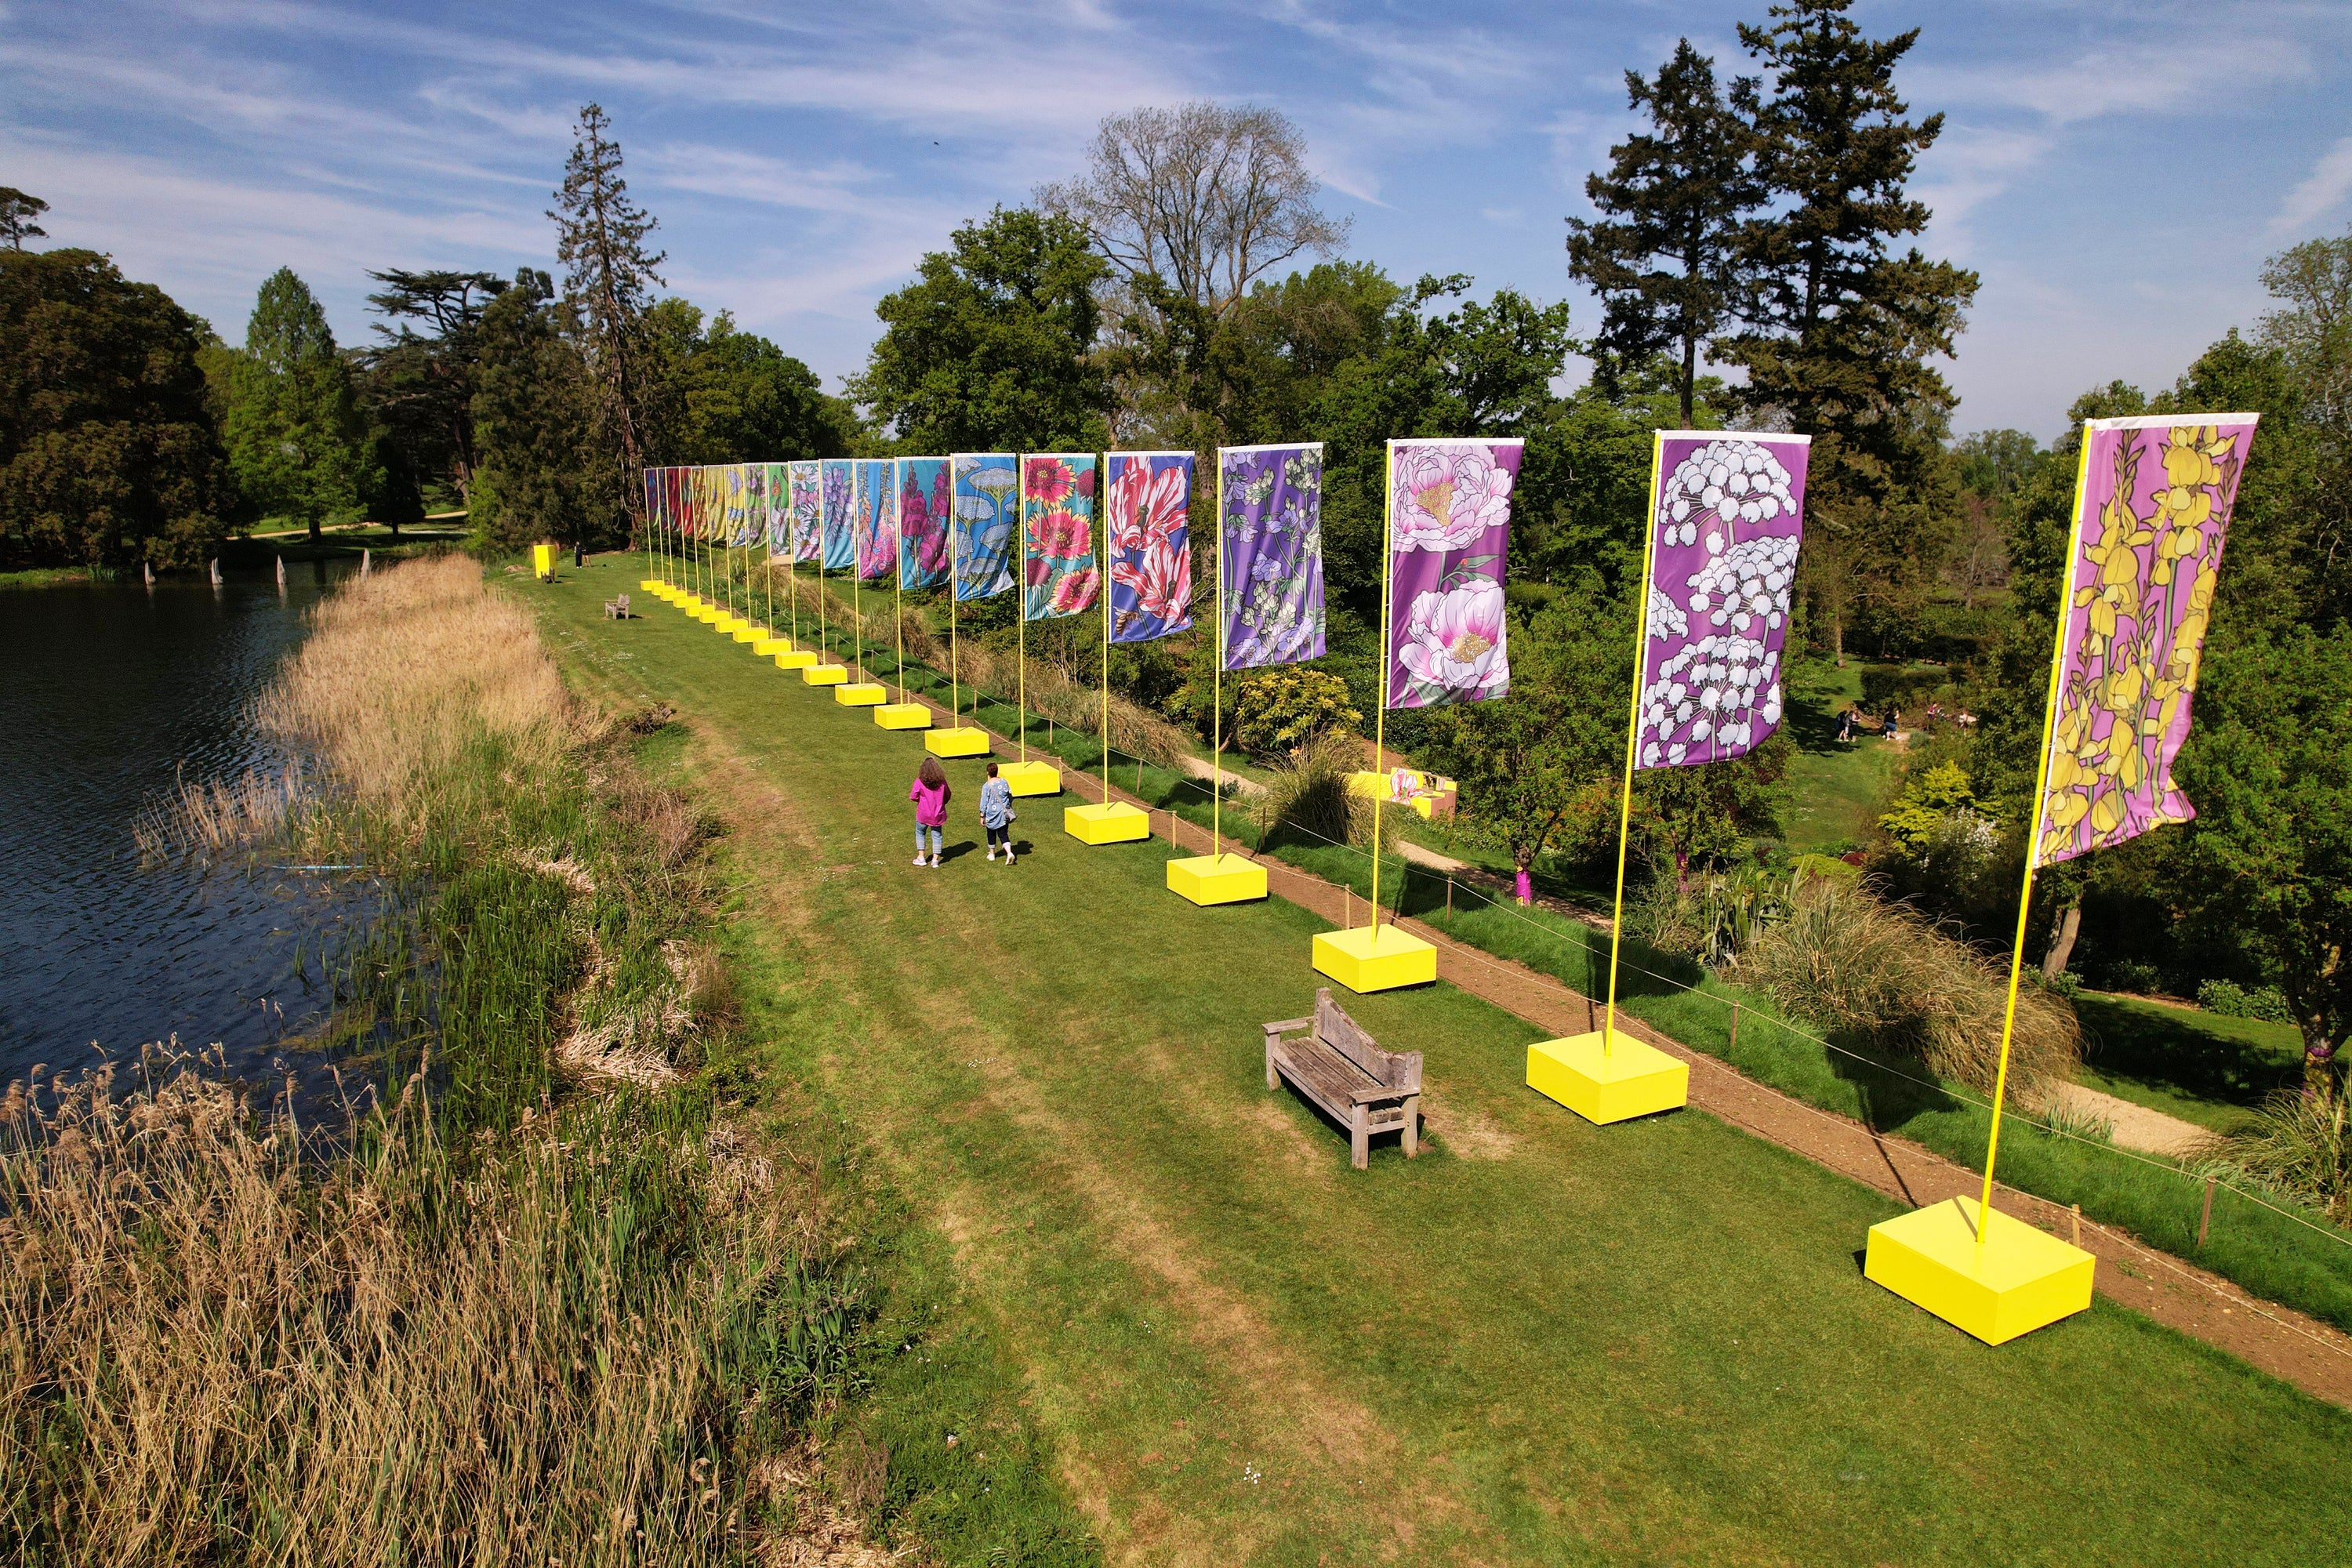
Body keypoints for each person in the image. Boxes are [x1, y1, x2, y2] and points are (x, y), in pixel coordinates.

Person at [909, 755, 951, 868]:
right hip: (938, 814)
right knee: (937, 835)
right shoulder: (942, 782)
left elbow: (913, 796)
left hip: (923, 814)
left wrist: (920, 801)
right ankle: (935, 860)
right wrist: (942, 803)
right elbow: (948, 795)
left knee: (920, 833)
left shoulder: (919, 781)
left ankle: (921, 857)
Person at [980, 760, 1015, 865]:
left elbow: (984, 802)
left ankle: (992, 854)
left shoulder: (986, 786)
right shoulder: (1004, 782)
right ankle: (1009, 853)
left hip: (991, 815)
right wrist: (1009, 805)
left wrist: (982, 816)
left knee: (991, 834)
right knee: (1003, 834)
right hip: (1003, 814)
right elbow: (1010, 795)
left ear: (988, 773)